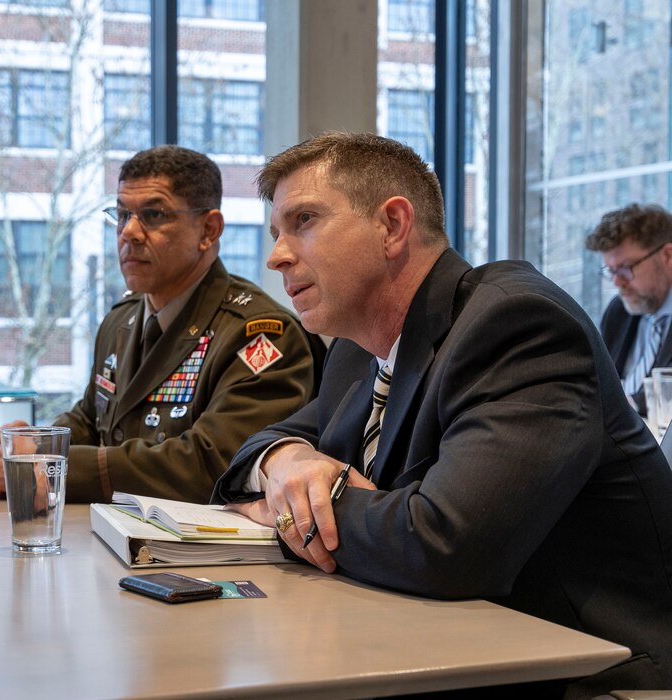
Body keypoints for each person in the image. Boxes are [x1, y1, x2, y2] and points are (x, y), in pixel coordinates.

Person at [212, 132, 672, 696]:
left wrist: (292, 511)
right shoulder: (358, 346)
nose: (277, 254)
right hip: (443, 648)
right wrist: (285, 462)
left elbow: (446, 546)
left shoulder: (518, 325)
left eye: (303, 220)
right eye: (276, 232)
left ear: (392, 226)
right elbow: (265, 445)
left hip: (586, 674)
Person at [0, 145, 324, 503]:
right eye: (123, 214)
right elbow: (90, 418)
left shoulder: (260, 332)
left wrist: (55, 466)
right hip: (108, 533)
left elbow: (215, 462)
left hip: (196, 553)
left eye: (153, 215)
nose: (129, 232)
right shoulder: (120, 320)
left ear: (209, 229)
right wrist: (36, 443)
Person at [585, 203, 672, 416]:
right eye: (611, 271)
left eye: (625, 268)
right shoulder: (619, 311)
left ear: (668, 256)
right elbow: (597, 384)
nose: (617, 282)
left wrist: (624, 409)